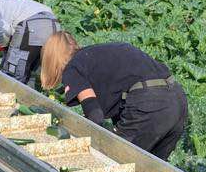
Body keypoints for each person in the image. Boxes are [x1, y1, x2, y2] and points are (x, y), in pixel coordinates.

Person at [39, 33, 189, 161]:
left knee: (114, 162)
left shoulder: (73, 67)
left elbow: (95, 116)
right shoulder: (97, 56)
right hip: (177, 99)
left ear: (51, 60)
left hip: (149, 104)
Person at [0, 0, 60, 84]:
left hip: (33, 23)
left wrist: (1, 46)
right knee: (30, 72)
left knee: (12, 73)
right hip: (53, 23)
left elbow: (4, 30)